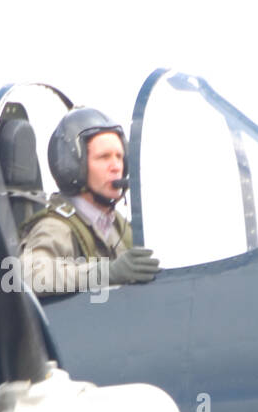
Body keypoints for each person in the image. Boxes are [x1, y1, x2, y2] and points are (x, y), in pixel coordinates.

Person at [19, 108, 159, 295]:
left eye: (119, 156)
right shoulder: (56, 227)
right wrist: (105, 272)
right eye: (104, 157)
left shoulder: (120, 226)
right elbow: (29, 276)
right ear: (75, 166)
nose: (116, 167)